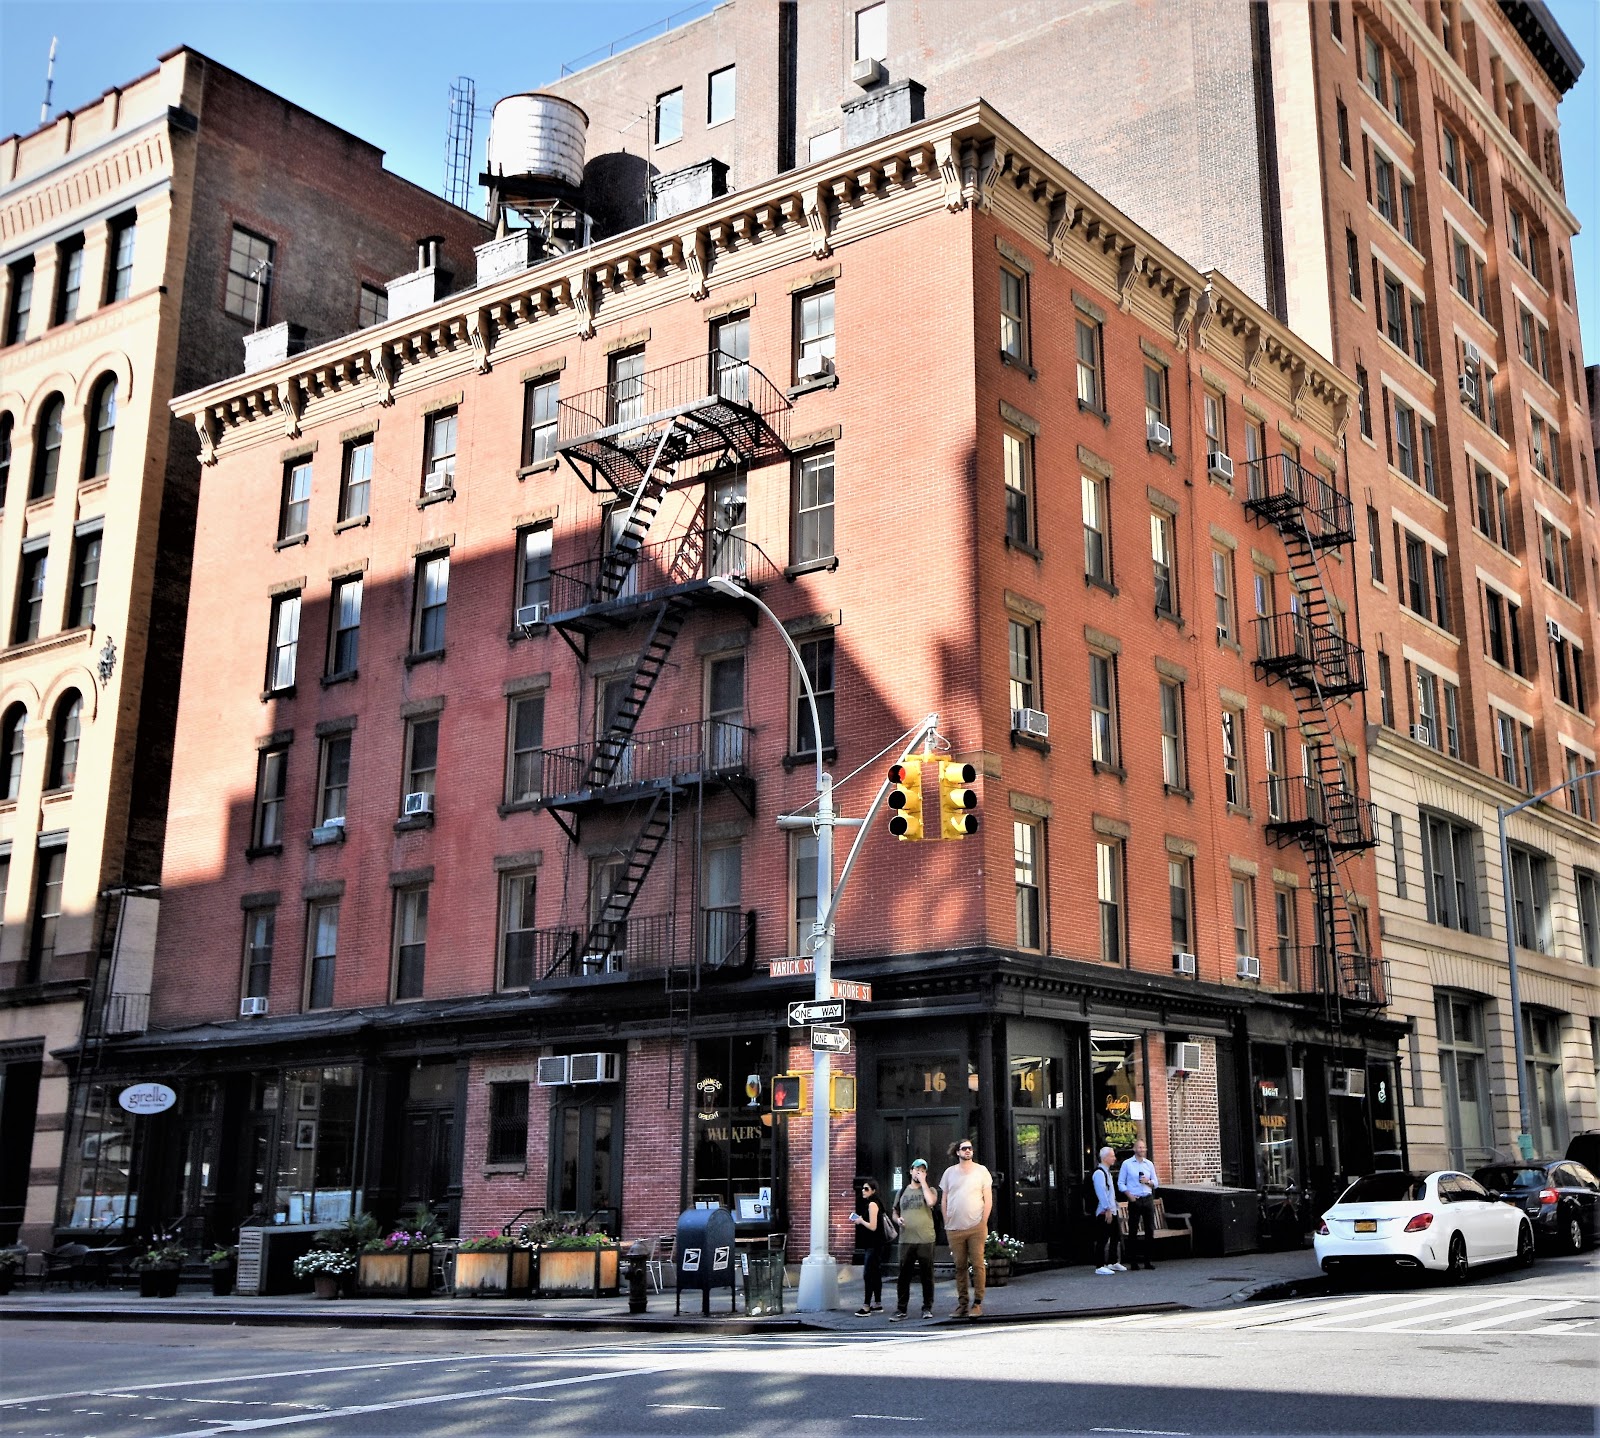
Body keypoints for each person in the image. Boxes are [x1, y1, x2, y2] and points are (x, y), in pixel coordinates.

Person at [939, 1138, 993, 1319]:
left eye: (970, 1148)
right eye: (964, 1149)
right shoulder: (949, 1173)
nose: (968, 1151)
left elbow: (988, 1198)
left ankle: (977, 1303)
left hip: (976, 1226)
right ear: (957, 1152)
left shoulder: (981, 1171)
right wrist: (947, 1221)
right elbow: (944, 1198)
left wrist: (983, 1221)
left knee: (977, 1264)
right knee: (960, 1266)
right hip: (954, 1228)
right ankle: (962, 1304)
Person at [891, 1159, 940, 1320]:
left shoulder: (930, 1189)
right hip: (906, 1239)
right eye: (916, 1169)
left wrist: (924, 1183)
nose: (919, 1172)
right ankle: (901, 1309)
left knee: (927, 1275)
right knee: (904, 1275)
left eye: (922, 1170)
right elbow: (895, 1212)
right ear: (911, 1171)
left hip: (926, 1239)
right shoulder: (902, 1191)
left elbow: (932, 1202)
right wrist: (897, 1220)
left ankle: (927, 1307)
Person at [1118, 1138, 1159, 1270]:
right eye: (1139, 1147)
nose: (1142, 1150)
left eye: (1143, 1147)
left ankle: (1148, 1261)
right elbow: (1120, 1183)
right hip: (1135, 1199)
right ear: (1134, 1149)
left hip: (1147, 1198)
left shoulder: (1149, 1164)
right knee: (1133, 1230)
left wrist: (1149, 1181)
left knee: (1149, 1230)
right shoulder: (1127, 1164)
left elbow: (1156, 1183)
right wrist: (1129, 1195)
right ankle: (1133, 1262)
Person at [850, 1177, 886, 1315]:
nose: (863, 1191)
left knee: (868, 1274)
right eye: (862, 1188)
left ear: (873, 1191)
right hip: (876, 1244)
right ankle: (877, 1303)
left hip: (873, 1244)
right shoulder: (875, 1203)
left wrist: (860, 1220)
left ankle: (866, 1306)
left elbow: (872, 1226)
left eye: (866, 1189)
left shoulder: (872, 1204)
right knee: (876, 1273)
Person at [1091, 1146, 1126, 1275]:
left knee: (1115, 1236)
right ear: (1105, 1158)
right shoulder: (1099, 1173)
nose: (1114, 1158)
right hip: (1104, 1211)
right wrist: (1107, 1209)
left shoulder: (1107, 1172)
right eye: (1112, 1156)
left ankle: (1112, 1262)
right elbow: (1101, 1193)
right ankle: (1099, 1265)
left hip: (1112, 1209)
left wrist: (1114, 1206)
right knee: (1102, 1238)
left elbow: (1110, 1192)